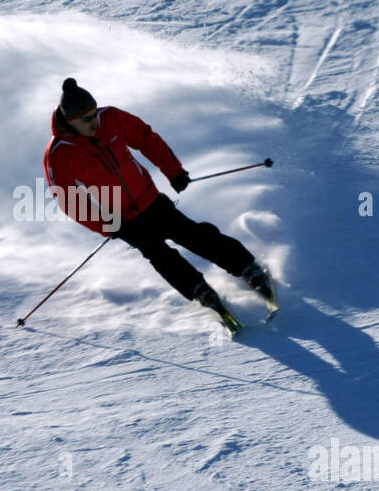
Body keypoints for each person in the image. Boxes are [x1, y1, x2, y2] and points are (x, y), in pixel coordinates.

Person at [42, 76, 274, 321]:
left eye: (94, 113)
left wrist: (174, 172)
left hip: (149, 197)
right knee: (159, 254)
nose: (94, 122)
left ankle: (246, 267)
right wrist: (105, 224)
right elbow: (69, 199)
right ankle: (200, 290)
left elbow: (146, 138)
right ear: (70, 120)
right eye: (87, 119)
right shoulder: (58, 153)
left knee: (190, 233)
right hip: (122, 218)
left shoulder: (110, 118)